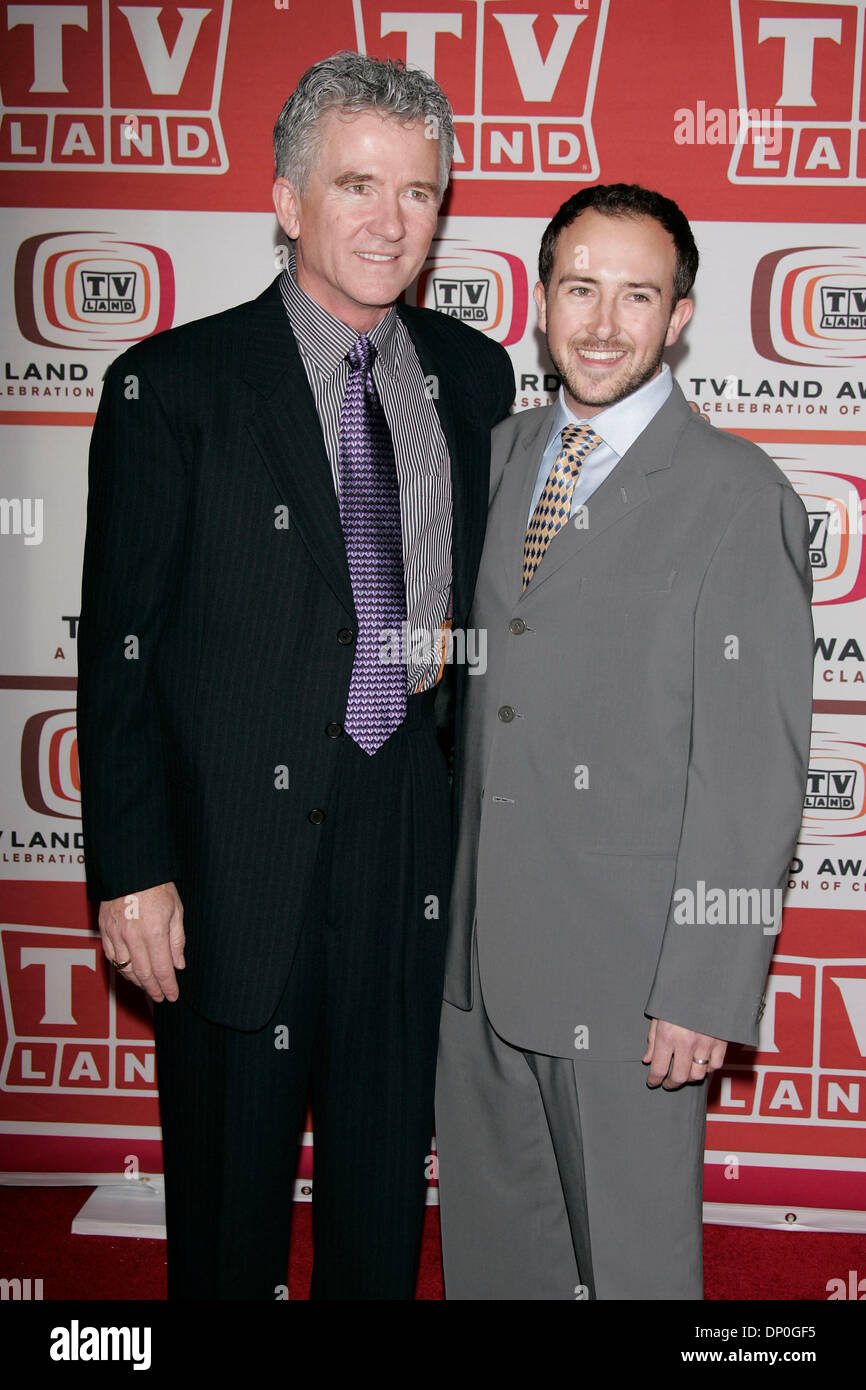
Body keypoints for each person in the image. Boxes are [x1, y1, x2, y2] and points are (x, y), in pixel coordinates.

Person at [77, 51, 514, 1300]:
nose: (391, 222)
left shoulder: (472, 374)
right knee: (227, 1222)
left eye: (421, 193)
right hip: (231, 860)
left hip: (406, 841)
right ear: (285, 201)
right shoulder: (174, 386)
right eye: (357, 186)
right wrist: (133, 868)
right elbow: (119, 647)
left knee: (382, 1213)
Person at [434, 183, 813, 1300]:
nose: (602, 324)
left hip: (635, 976)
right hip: (474, 966)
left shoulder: (738, 495)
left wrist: (703, 982)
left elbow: (753, 769)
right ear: (540, 302)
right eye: (579, 289)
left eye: (635, 296)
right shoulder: (491, 458)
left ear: (680, 314)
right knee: (496, 1265)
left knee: (638, 1272)